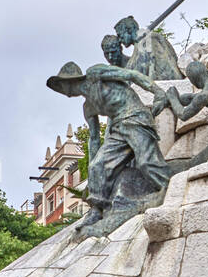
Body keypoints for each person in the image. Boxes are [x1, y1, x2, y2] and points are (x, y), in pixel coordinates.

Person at [46, 60, 170, 226]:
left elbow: (131, 75)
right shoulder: (88, 107)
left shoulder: (95, 74)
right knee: (97, 166)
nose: (63, 91)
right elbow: (94, 139)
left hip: (136, 118)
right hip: (118, 130)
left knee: (146, 162)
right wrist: (91, 172)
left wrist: (158, 92)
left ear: (69, 83)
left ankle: (168, 189)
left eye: (62, 86)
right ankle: (97, 209)